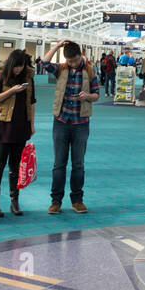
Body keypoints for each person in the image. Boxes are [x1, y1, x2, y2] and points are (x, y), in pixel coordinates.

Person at [43, 39, 99, 214]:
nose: (72, 63)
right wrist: (58, 46)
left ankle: (77, 200)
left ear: (80, 55)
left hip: (81, 123)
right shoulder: (61, 68)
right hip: (61, 122)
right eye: (69, 61)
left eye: (74, 60)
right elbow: (44, 62)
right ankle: (56, 201)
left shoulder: (90, 70)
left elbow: (97, 95)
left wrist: (87, 96)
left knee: (78, 164)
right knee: (59, 164)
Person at [0, 49, 36, 217]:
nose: (18, 70)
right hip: (2, 126)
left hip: (21, 127)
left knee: (16, 168)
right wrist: (12, 91)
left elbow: (32, 102)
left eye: (21, 67)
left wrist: (32, 125)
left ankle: (14, 202)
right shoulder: (0, 76)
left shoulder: (28, 78)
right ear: (10, 65)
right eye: (16, 67)